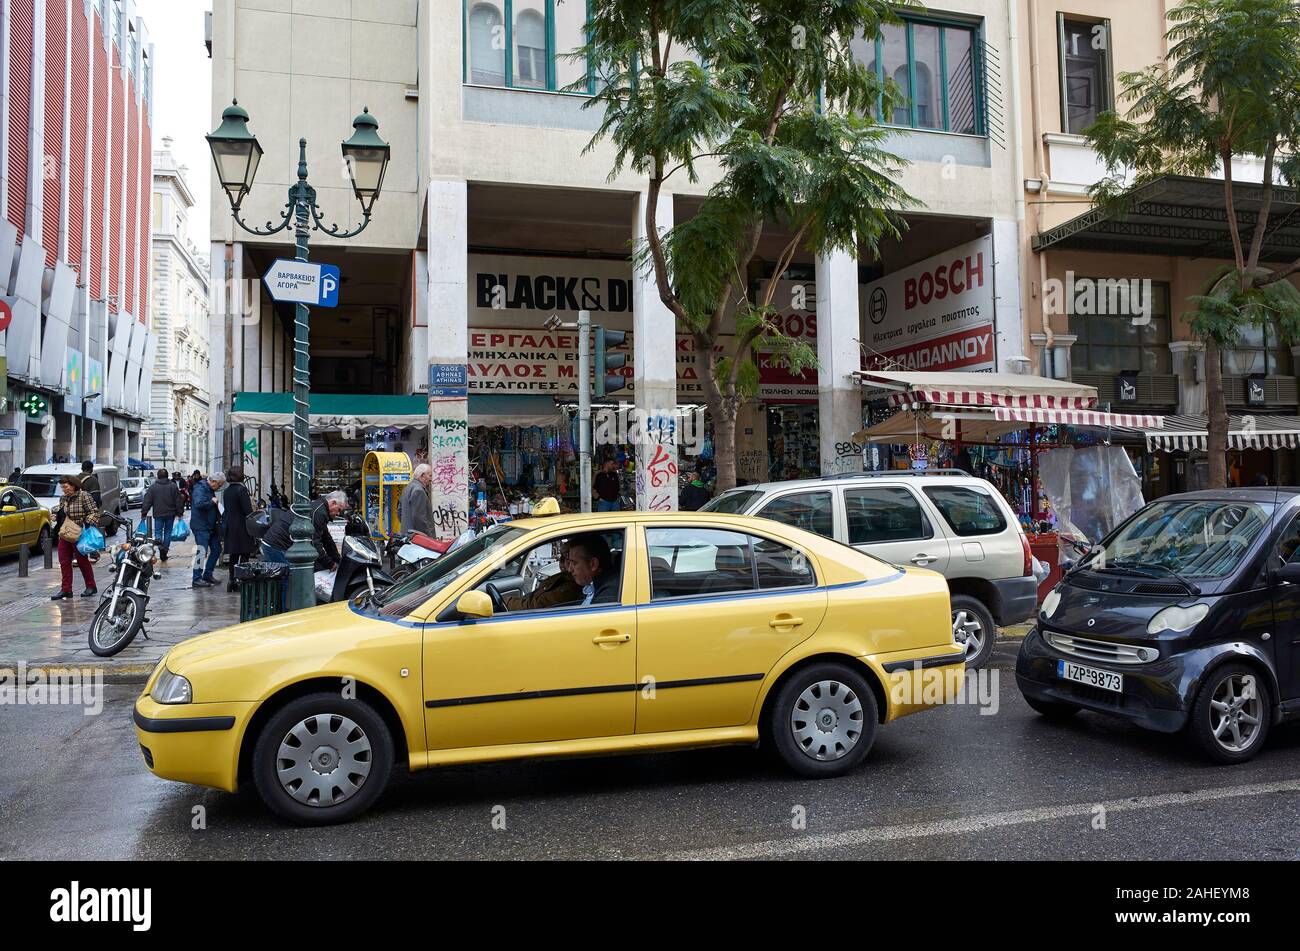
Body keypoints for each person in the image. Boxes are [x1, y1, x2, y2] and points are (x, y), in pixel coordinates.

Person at [50, 475, 99, 600]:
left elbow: (94, 511)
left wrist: (86, 522)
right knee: (64, 562)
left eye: (65, 487)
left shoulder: (84, 496)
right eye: (62, 487)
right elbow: (60, 509)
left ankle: (91, 586)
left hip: (79, 533)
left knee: (82, 561)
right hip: (66, 533)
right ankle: (66, 590)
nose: (64, 489)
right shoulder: (64, 498)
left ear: (73, 485)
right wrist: (55, 514)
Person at [503, 541, 583, 611]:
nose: (561, 562)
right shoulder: (564, 578)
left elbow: (533, 607)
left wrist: (505, 602)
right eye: (560, 557)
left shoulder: (569, 588)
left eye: (566, 558)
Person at [221, 466, 257, 591]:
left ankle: (231, 580)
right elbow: (248, 511)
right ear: (238, 475)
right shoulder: (241, 490)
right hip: (242, 527)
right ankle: (241, 579)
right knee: (245, 554)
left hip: (231, 526)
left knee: (234, 555)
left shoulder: (227, 491)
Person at [140, 468, 183, 562]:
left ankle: (159, 545)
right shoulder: (173, 486)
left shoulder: (153, 487)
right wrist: (180, 513)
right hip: (170, 513)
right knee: (168, 532)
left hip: (158, 513)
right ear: (167, 476)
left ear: (158, 476)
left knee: (158, 532)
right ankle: (165, 550)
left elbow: (147, 501)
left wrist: (144, 513)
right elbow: (178, 501)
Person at [190, 472, 225, 588]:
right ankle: (196, 578)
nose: (219, 488)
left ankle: (208, 574)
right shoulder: (200, 488)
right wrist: (212, 502)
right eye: (219, 485)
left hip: (210, 526)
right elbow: (199, 503)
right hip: (201, 526)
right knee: (202, 551)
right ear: (213, 482)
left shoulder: (209, 489)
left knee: (216, 549)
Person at [567, 532, 618, 606]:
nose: (569, 569)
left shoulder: (608, 595)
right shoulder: (592, 587)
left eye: (574, 563)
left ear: (593, 564)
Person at [310, 490, 348, 571]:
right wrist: (329, 564)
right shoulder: (319, 513)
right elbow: (315, 543)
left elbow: (326, 539)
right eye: (339, 510)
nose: (338, 514)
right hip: (283, 547)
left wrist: (338, 559)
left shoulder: (321, 508)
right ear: (333, 503)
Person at [399, 464, 433, 536]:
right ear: (423, 475)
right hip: (417, 538)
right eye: (430, 476)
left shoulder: (408, 487)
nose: (431, 479)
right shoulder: (419, 491)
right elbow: (419, 519)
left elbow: (399, 512)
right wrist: (429, 537)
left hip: (407, 536)